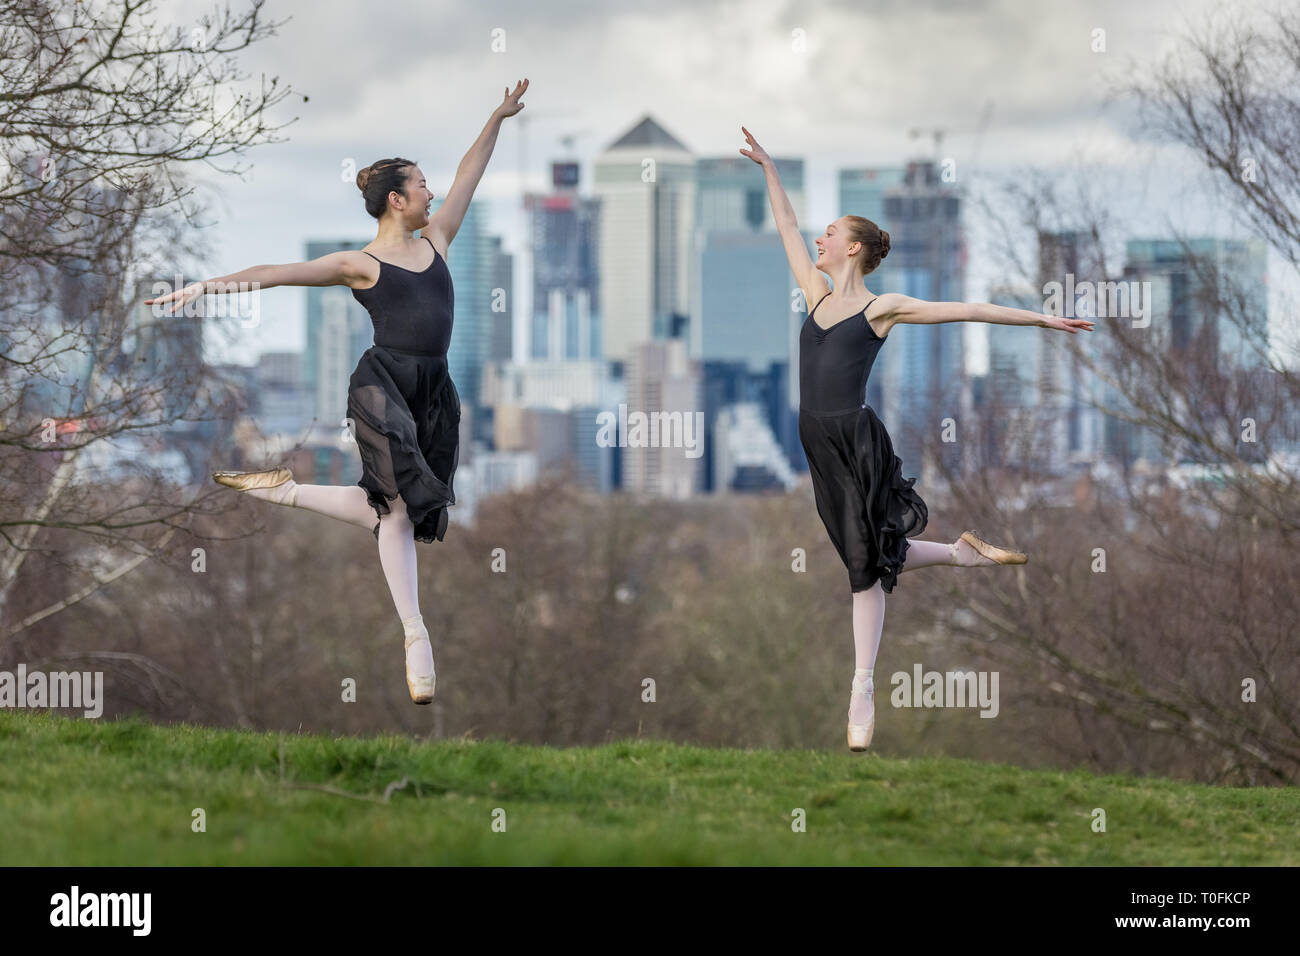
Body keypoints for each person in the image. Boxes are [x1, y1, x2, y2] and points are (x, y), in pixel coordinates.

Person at [145, 80, 530, 706]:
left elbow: (470, 173)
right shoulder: (361, 264)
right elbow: (274, 274)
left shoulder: (438, 242)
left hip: (434, 393)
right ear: (399, 200)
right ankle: (415, 635)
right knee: (400, 510)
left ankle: (287, 490)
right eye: (422, 184)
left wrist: (497, 117)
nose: (434, 191)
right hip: (384, 388)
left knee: (388, 509)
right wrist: (205, 287)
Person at [738, 126, 1093, 751]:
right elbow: (787, 225)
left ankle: (862, 690)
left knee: (862, 571)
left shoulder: (882, 308)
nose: (817, 239)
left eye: (830, 234)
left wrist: (1040, 316)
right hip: (816, 444)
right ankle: (962, 554)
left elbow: (968, 310)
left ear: (852, 249)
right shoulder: (814, 294)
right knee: (870, 550)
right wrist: (768, 165)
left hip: (855, 440)